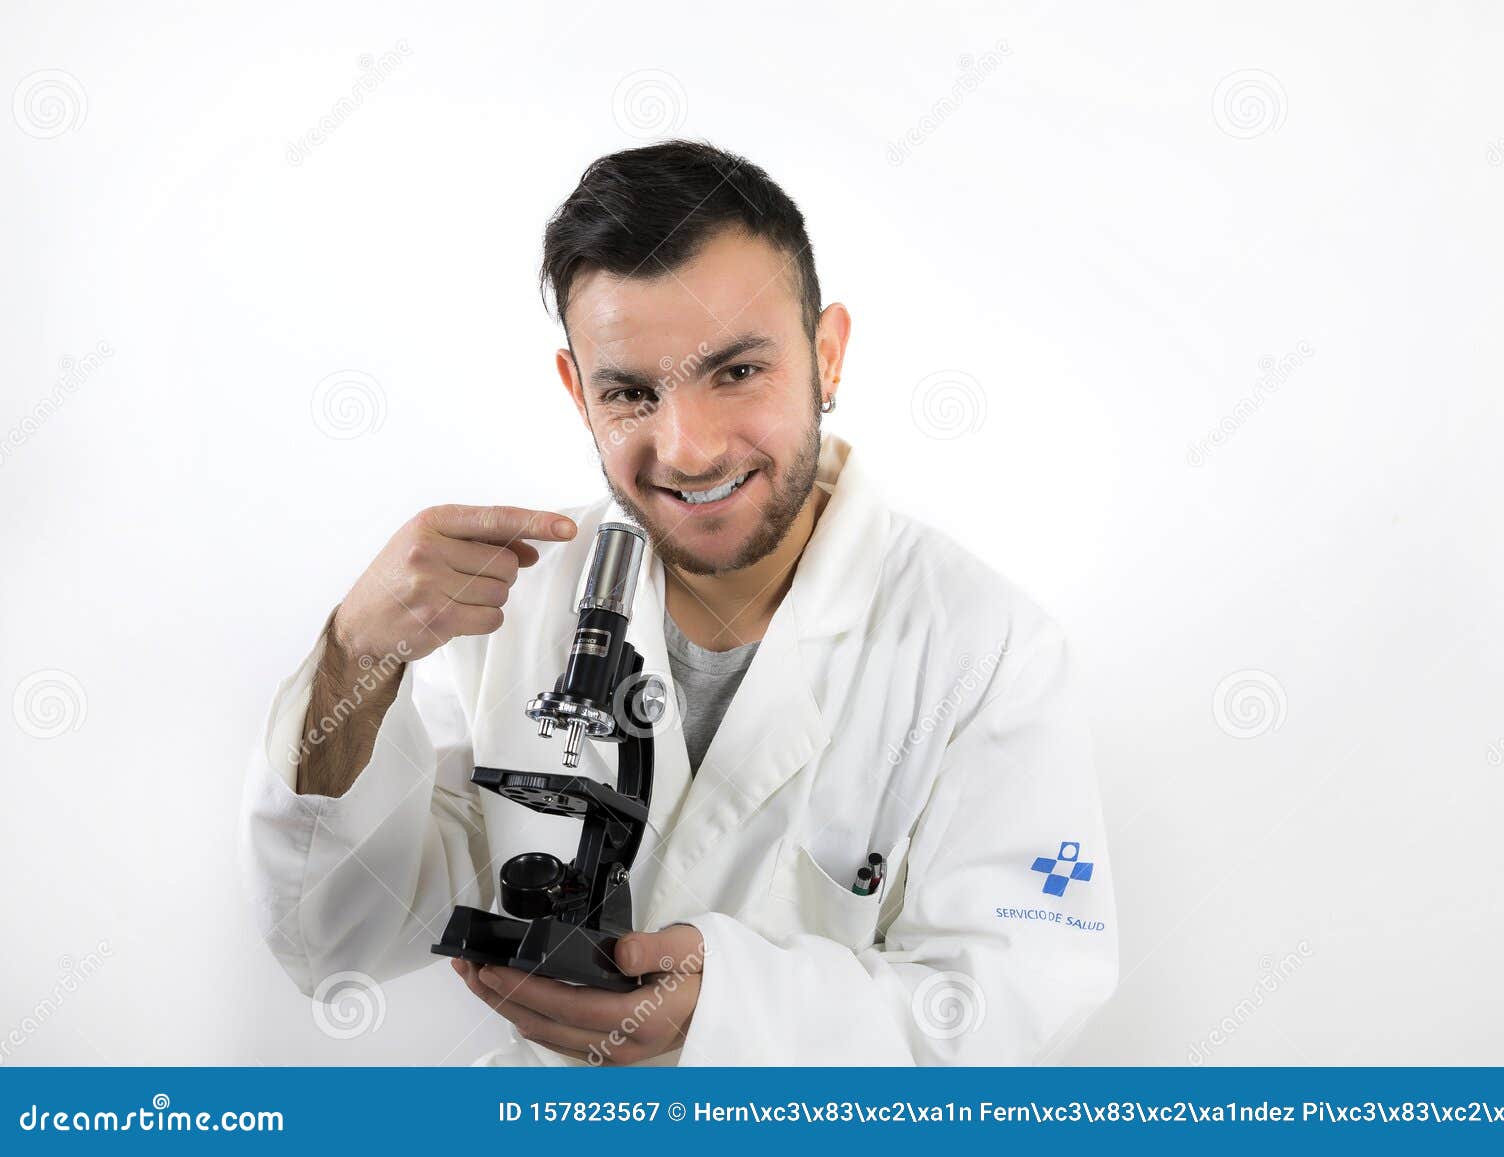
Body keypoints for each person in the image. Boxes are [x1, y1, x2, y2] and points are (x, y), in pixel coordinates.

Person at [239, 140, 1117, 1065]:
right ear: (580, 393)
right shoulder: (508, 606)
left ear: (828, 353)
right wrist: (354, 655)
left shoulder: (986, 648)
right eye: (630, 391)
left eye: (737, 372)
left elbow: (1016, 1004)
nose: (688, 449)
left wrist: (732, 1011)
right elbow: (334, 936)